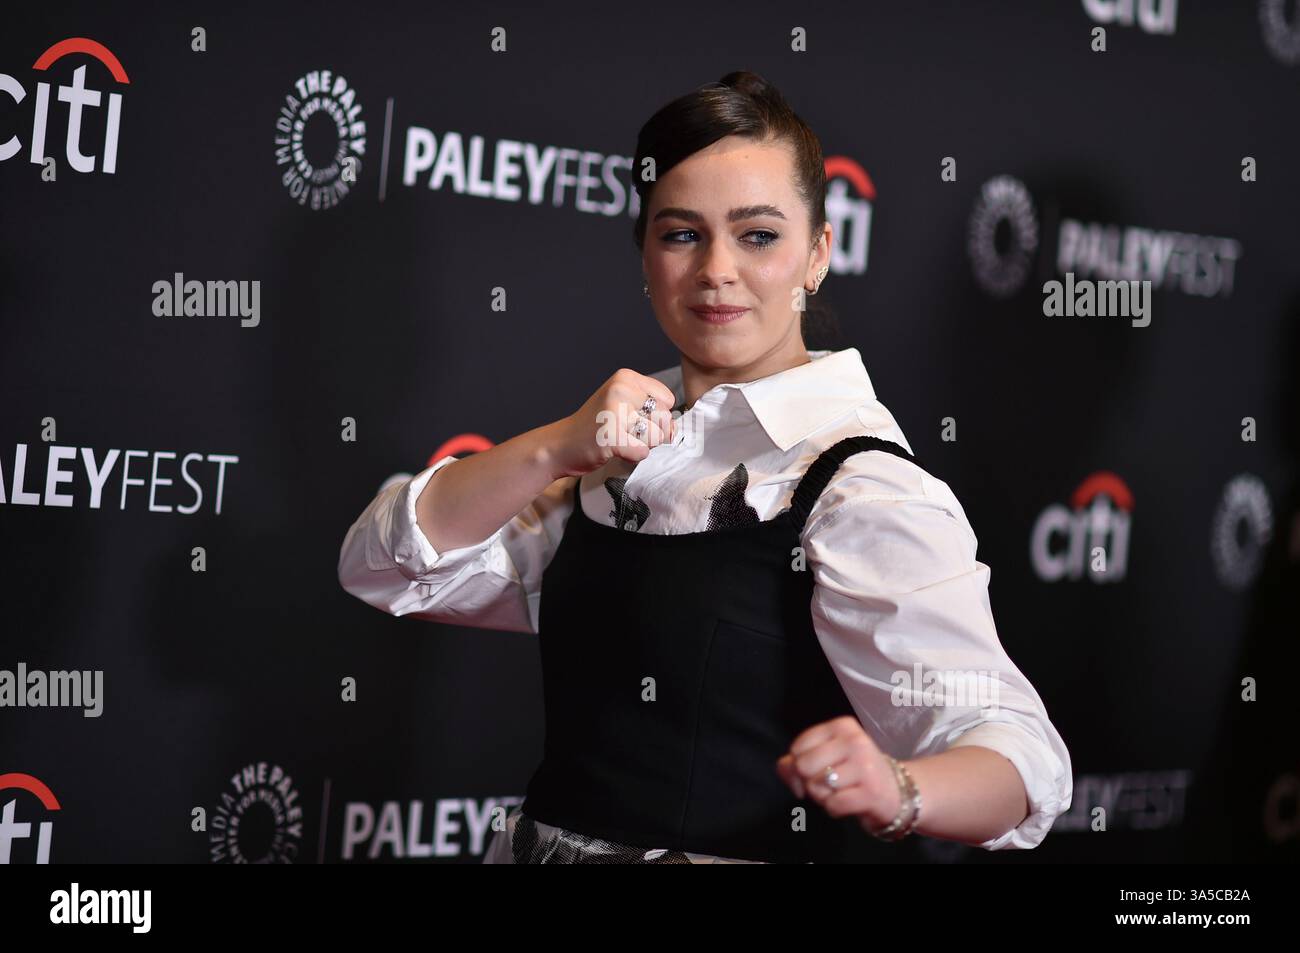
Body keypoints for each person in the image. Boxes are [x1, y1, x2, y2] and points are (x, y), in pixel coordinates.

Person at [338, 70, 1072, 864]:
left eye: (758, 235)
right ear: (645, 254)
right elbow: (384, 566)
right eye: (681, 233)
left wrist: (901, 788)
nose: (716, 269)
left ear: (818, 253)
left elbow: (1018, 755)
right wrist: (555, 447)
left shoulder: (859, 482)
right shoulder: (612, 451)